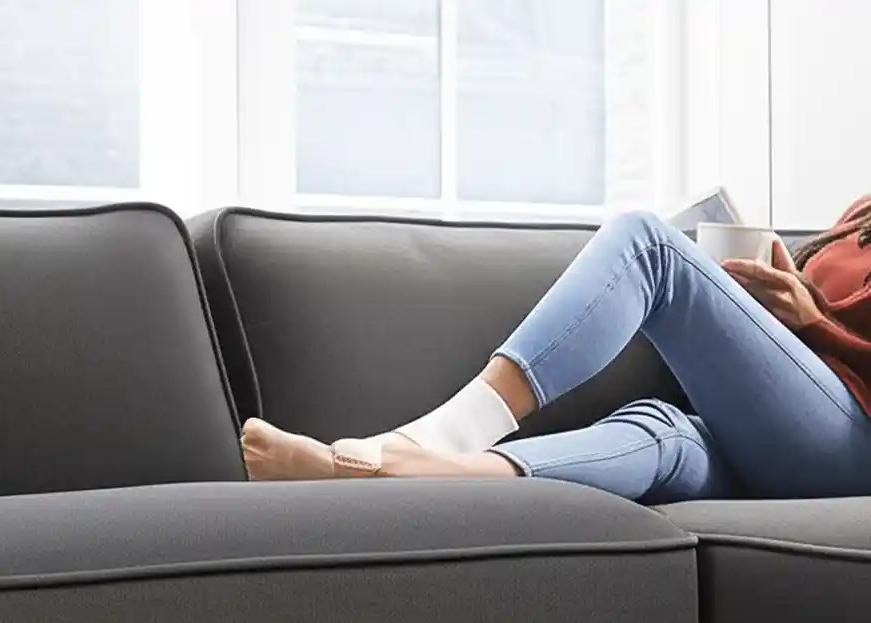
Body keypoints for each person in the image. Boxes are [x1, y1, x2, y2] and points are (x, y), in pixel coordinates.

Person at [241, 195, 871, 504]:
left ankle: (443, 435)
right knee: (660, 434)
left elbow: (830, 336)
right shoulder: (861, 214)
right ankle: (406, 477)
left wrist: (814, 323)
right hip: (791, 429)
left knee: (646, 244)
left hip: (851, 448)